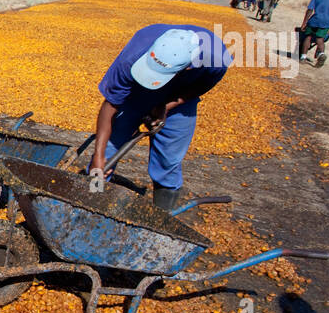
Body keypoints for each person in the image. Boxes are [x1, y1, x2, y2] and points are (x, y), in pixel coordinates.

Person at [89, 25, 231, 211]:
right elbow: (111, 104)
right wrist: (98, 156)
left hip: (179, 96)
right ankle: (91, 202)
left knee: (169, 159)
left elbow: (201, 86)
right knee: (108, 151)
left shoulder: (217, 58)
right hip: (136, 92)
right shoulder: (133, 56)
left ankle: (161, 217)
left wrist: (166, 106)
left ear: (187, 68)